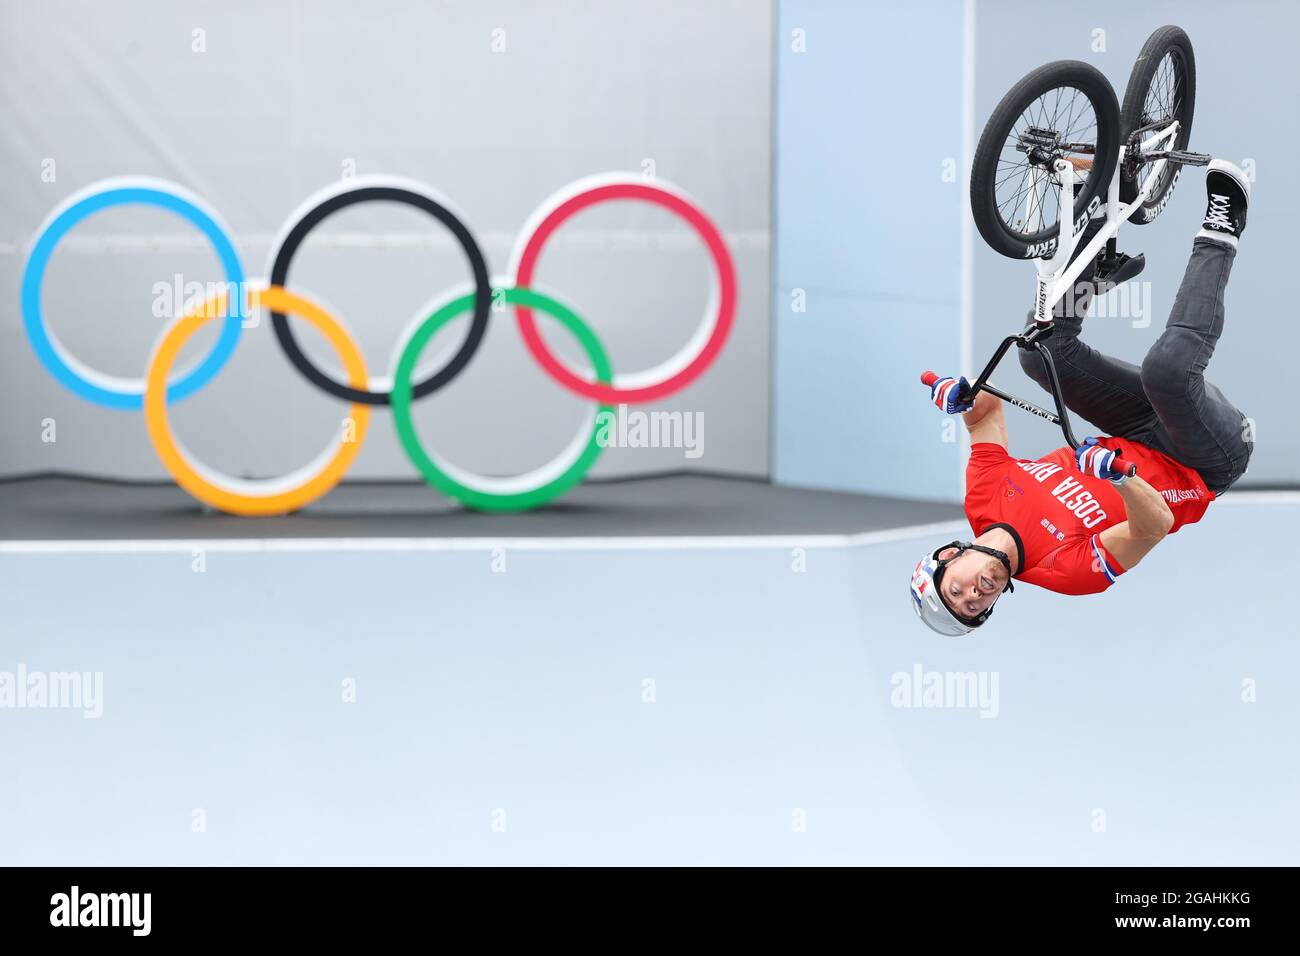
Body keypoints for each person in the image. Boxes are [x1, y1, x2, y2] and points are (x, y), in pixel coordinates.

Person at [911, 161, 1254, 636]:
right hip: (1202, 461)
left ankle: (1099, 212)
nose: (975, 594)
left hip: (1132, 430)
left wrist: (962, 397)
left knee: (1040, 354)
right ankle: (1223, 226)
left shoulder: (983, 499)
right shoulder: (1064, 573)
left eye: (956, 591)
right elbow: (1150, 527)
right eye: (975, 609)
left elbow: (985, 414)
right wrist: (1120, 478)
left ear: (949, 557)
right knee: (1168, 373)